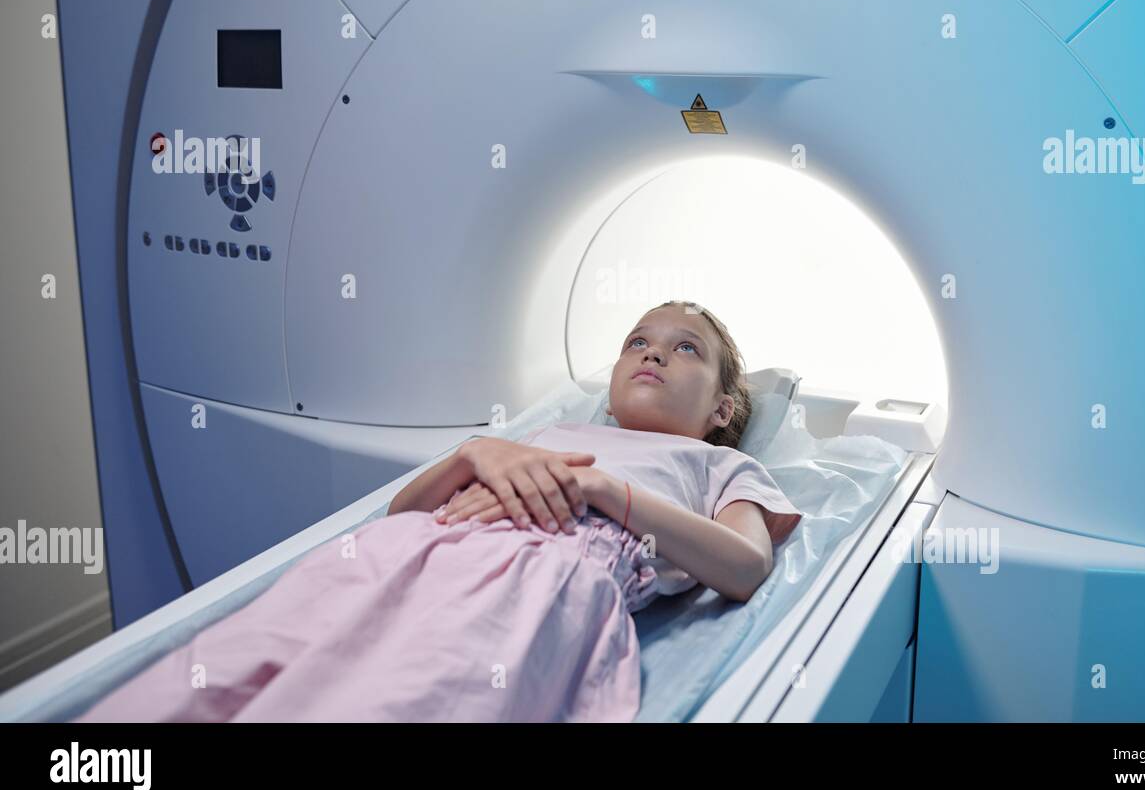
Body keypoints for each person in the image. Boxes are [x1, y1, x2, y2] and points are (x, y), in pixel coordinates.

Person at [74, 300, 802, 722]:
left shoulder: (720, 466)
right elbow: (398, 515)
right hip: (413, 547)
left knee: (396, 696)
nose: (652, 354)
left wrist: (608, 492)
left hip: (536, 576)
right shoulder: (547, 434)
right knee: (233, 662)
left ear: (722, 408)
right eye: (637, 341)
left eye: (685, 349)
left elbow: (743, 565)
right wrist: (472, 455)